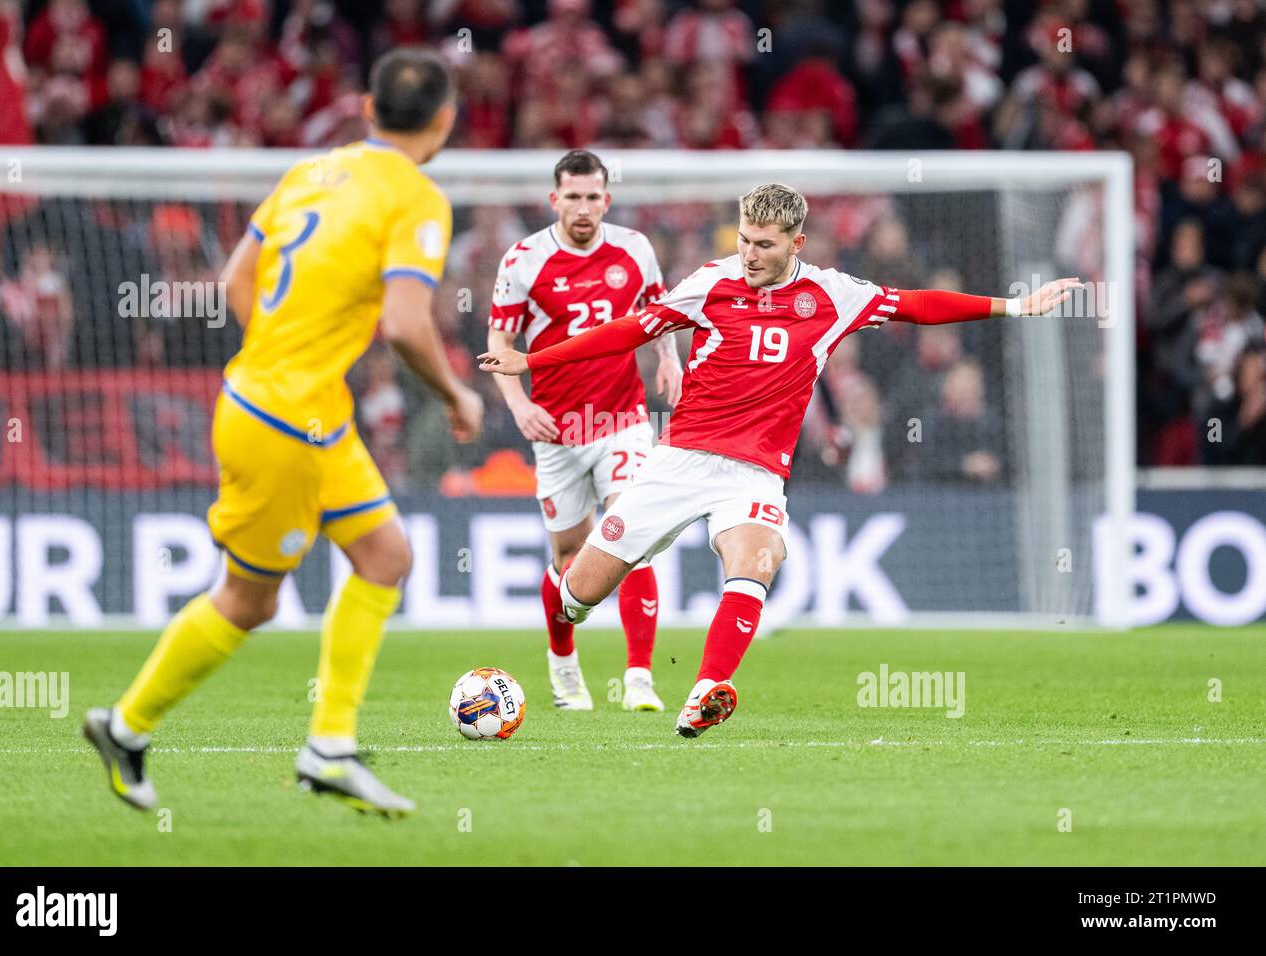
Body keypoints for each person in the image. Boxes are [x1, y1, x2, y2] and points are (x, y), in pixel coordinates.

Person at [480, 182, 1080, 737]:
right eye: (743, 239)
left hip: (755, 472)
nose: (749, 253)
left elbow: (917, 305)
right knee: (576, 594)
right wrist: (534, 362)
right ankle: (561, 645)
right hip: (679, 462)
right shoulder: (711, 282)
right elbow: (630, 330)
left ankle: (708, 689)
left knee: (756, 562)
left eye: (764, 245)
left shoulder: (833, 295)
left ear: (797, 242)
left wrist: (1015, 307)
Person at [83, 48, 482, 818]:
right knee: (249, 601)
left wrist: (284, 358)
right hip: (282, 419)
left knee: (385, 555)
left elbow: (237, 279)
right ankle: (126, 729)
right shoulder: (417, 198)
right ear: (444, 120)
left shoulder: (312, 172)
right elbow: (404, 323)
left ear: (367, 109)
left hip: (305, 408)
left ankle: (329, 750)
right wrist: (456, 392)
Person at [487, 149, 682, 711]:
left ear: (606, 200)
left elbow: (659, 314)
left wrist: (668, 359)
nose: (583, 207)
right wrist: (517, 403)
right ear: (554, 201)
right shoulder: (523, 260)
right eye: (572, 196)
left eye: (593, 196)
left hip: (621, 419)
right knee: (570, 559)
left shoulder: (635, 249)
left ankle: (641, 679)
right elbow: (501, 341)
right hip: (555, 429)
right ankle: (563, 661)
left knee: (631, 536)